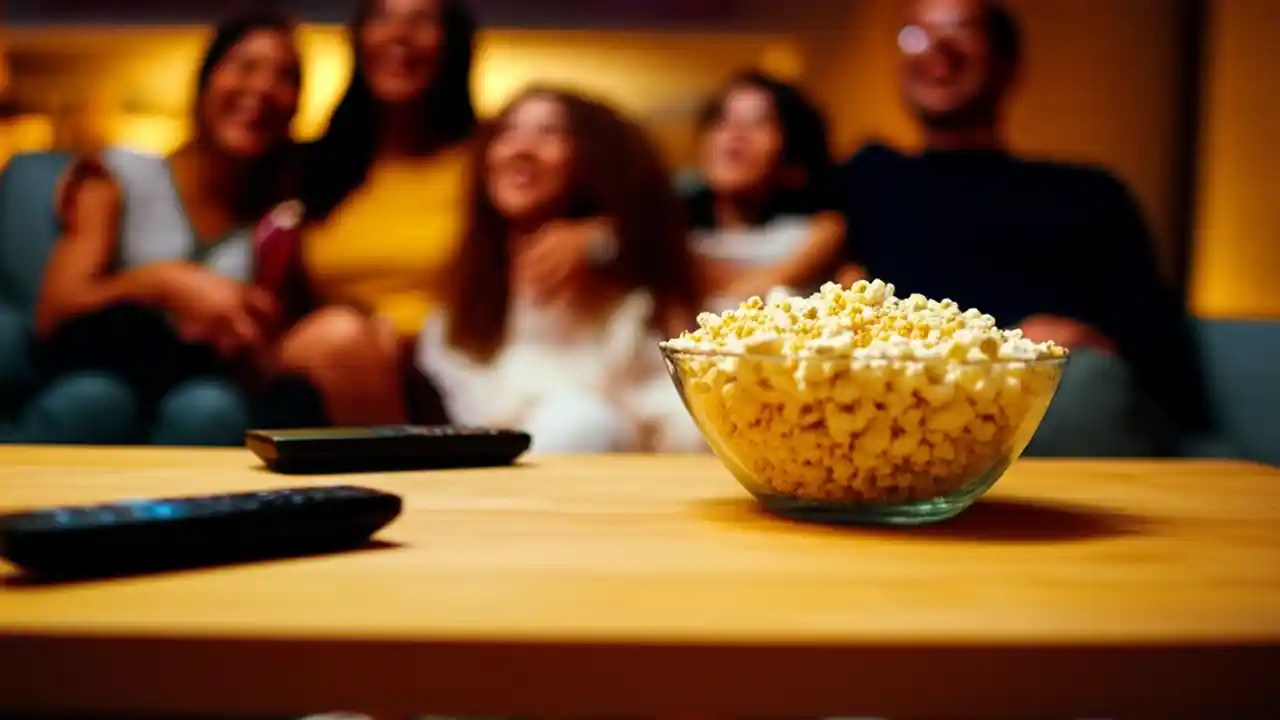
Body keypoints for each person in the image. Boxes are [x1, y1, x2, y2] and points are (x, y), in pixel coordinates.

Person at [826, 0, 1206, 455]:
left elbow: (1158, 352)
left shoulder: (1086, 193)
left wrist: (1074, 340)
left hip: (1055, 401)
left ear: (1008, 65)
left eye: (961, 30)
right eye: (917, 34)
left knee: (1085, 386)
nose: (937, 49)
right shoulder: (867, 181)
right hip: (901, 404)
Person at [33, 12, 303, 445]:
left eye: (285, 76)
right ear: (206, 81)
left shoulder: (280, 219)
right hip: (104, 374)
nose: (263, 88)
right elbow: (55, 312)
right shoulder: (120, 176)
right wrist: (163, 284)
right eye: (246, 66)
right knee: (95, 401)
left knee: (210, 410)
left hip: (207, 392)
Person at [416, 89, 703, 453]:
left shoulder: (635, 267)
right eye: (507, 132)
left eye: (549, 132)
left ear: (595, 158)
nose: (520, 148)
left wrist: (608, 241)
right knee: (580, 419)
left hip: (629, 453)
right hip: (501, 457)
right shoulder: (471, 279)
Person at [686, 71, 849, 312]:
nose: (734, 134)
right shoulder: (676, 232)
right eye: (722, 120)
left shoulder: (817, 235)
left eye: (758, 123)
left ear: (793, 152)